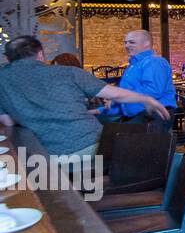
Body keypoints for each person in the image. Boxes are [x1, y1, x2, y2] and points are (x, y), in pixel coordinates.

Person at [0, 35, 170, 160]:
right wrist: (145, 99)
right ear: (40, 54)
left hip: (45, 155)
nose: (126, 45)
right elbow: (115, 93)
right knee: (134, 151)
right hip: (90, 146)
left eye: (131, 41)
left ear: (8, 59)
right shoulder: (68, 72)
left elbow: (8, 122)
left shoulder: (3, 80)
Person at [103, 30, 176, 125]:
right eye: (125, 42)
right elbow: (127, 93)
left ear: (147, 43)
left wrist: (120, 97)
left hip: (152, 116)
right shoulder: (133, 65)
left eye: (132, 42)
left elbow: (152, 91)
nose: (127, 45)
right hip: (136, 115)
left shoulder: (154, 62)